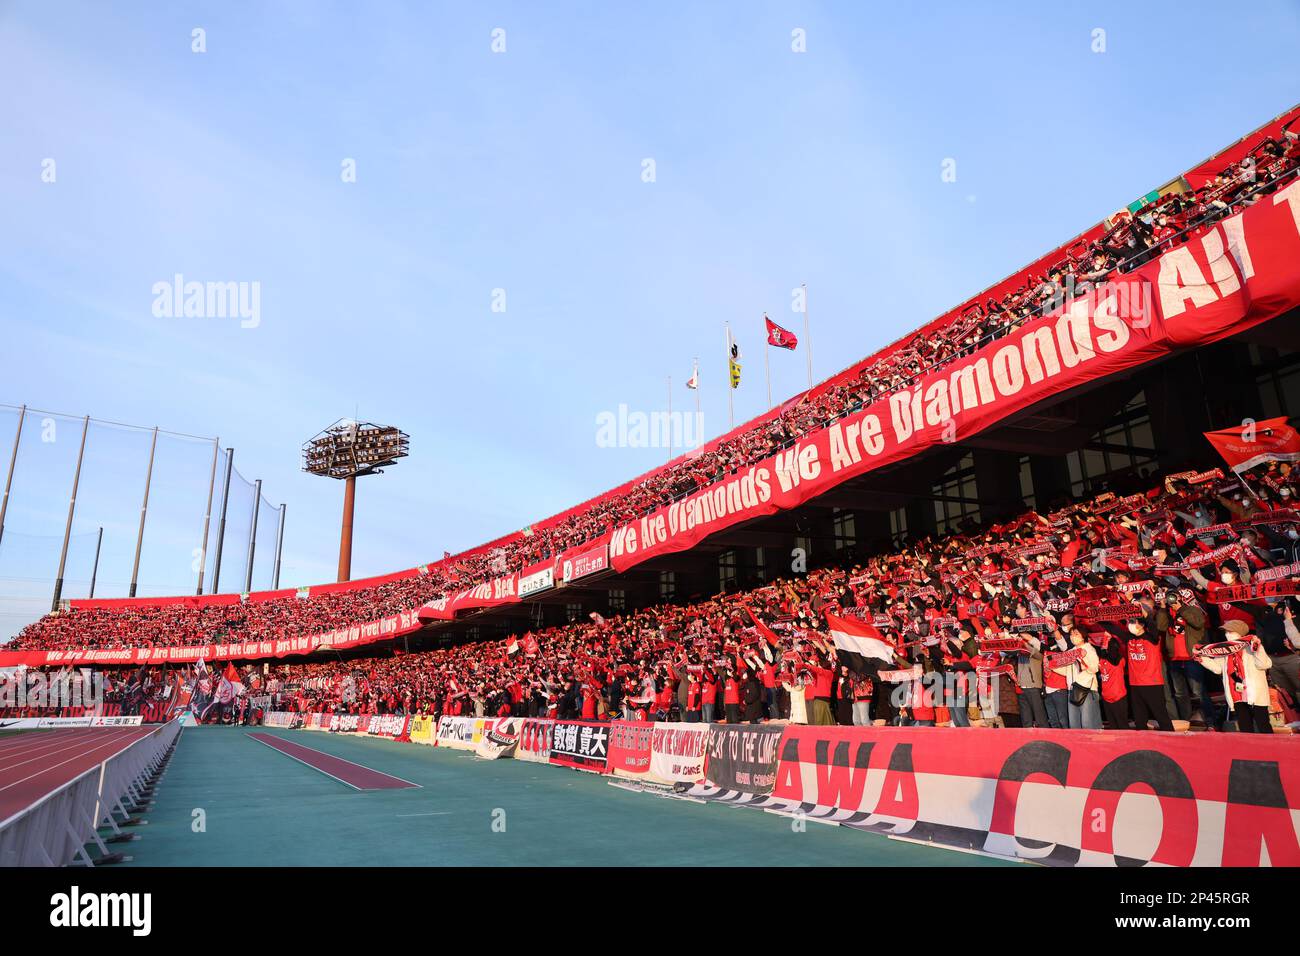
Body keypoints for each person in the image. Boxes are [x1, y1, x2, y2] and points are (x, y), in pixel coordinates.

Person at [1197, 621, 1274, 733]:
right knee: (1245, 726)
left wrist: (1258, 648)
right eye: (1226, 631)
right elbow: (1218, 669)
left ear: (1239, 633)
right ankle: (1250, 749)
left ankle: (1271, 748)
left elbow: (1265, 664)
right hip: (1236, 693)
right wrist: (1202, 659)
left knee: (1263, 724)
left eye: (1230, 631)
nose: (1227, 634)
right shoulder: (1225, 650)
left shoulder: (1250, 646)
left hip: (1255, 693)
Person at [1052, 627, 1101, 730]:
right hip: (1072, 690)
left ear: (1083, 636)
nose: (1073, 636)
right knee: (1074, 725)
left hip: (1087, 690)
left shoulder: (1089, 649)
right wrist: (1052, 666)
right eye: (1071, 634)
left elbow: (1095, 668)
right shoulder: (1071, 652)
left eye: (1076, 634)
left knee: (1087, 723)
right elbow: (1066, 671)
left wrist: (1083, 658)